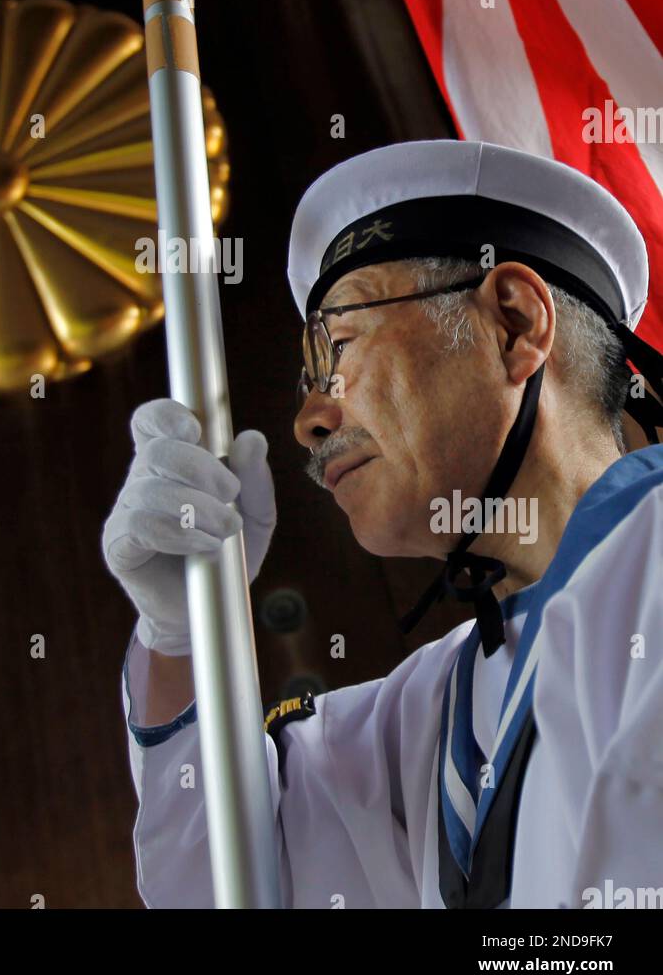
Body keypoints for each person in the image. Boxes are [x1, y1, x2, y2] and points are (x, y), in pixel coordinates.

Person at [102, 139, 663, 909]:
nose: (308, 418)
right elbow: (229, 888)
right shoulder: (419, 715)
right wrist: (183, 635)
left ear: (513, 321)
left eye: (340, 348)